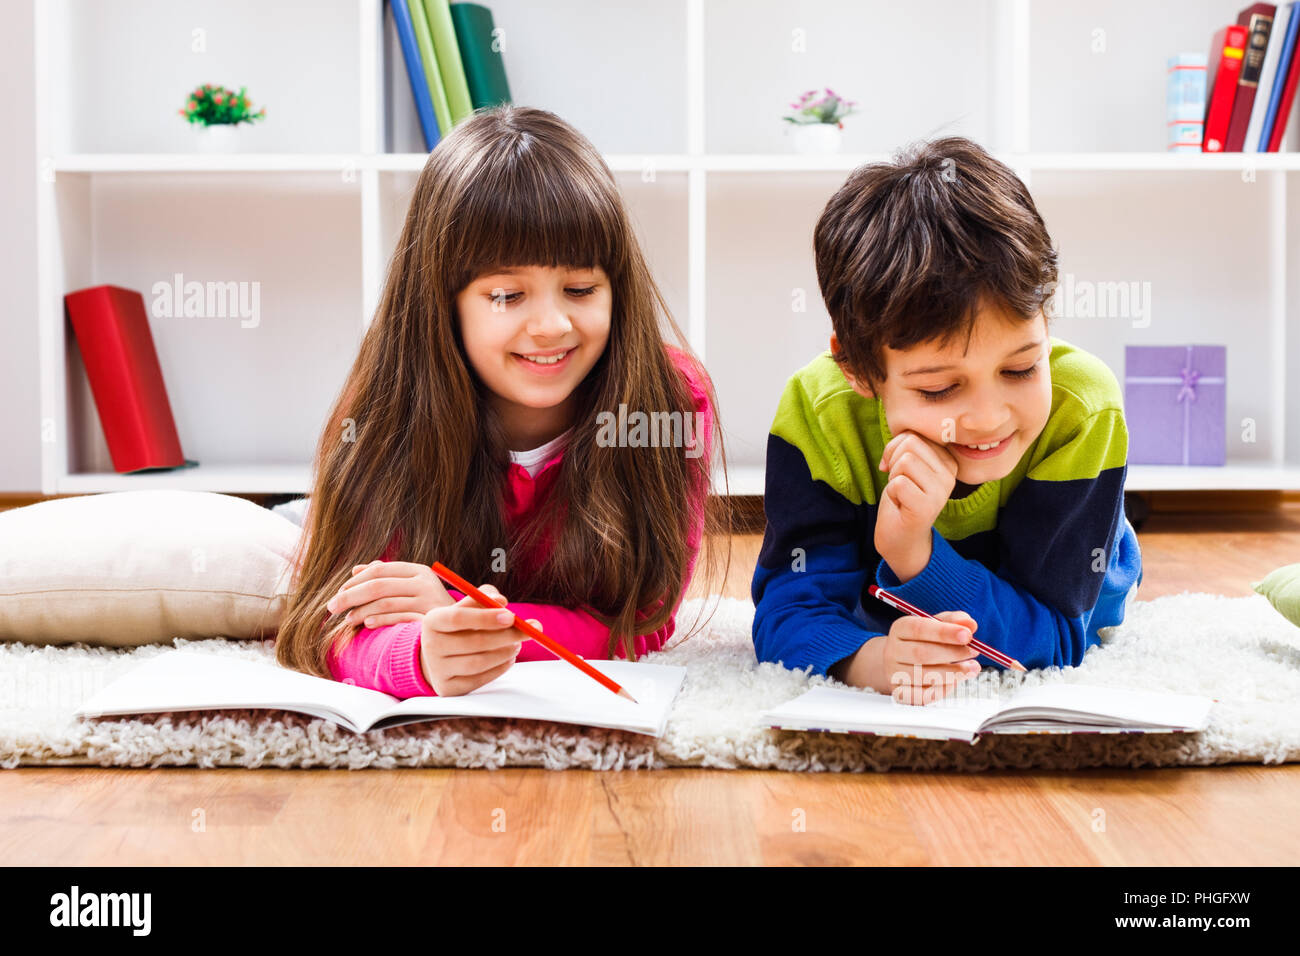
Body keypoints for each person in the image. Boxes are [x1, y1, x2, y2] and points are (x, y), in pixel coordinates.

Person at [275, 105, 728, 698]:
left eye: (581, 289)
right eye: (508, 294)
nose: (551, 324)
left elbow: (645, 618)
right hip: (322, 523)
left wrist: (476, 619)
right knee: (266, 556)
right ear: (443, 300)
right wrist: (421, 652)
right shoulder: (385, 410)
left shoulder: (668, 404)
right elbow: (329, 618)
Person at [752, 136, 1143, 705]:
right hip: (895, 593)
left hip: (1072, 580)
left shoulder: (1082, 409)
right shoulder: (819, 412)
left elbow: (1056, 640)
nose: (986, 419)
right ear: (858, 368)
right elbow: (788, 610)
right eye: (938, 388)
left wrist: (915, 552)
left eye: (1022, 368)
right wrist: (872, 660)